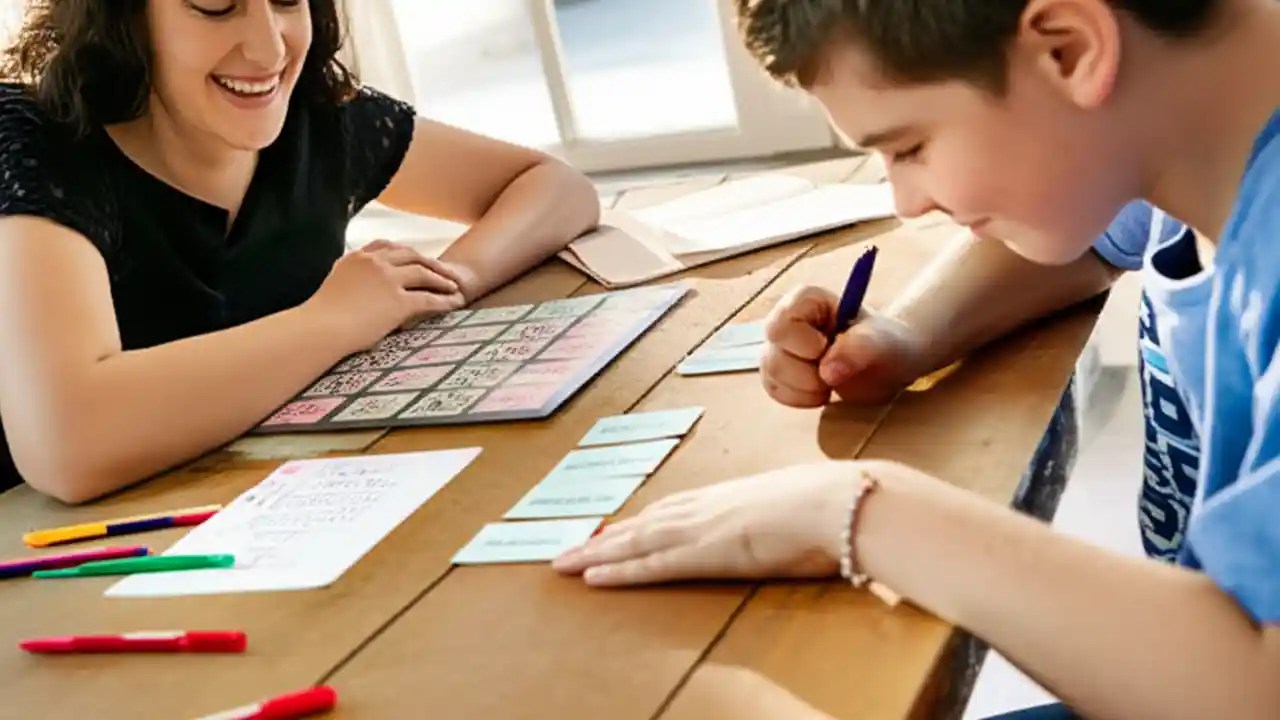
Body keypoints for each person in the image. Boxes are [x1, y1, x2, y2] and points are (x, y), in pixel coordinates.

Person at [555, 1, 1280, 717]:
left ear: (1068, 50)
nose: (905, 201)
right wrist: (906, 334)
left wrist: (860, 509)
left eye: (909, 147)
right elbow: (1096, 231)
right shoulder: (1191, 133)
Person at [0, 0, 599, 504]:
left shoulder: (319, 121)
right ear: (121, 16)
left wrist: (451, 279)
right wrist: (333, 321)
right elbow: (67, 443)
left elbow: (555, 187)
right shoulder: (34, 142)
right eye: (215, 5)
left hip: (262, 506)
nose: (268, 49)